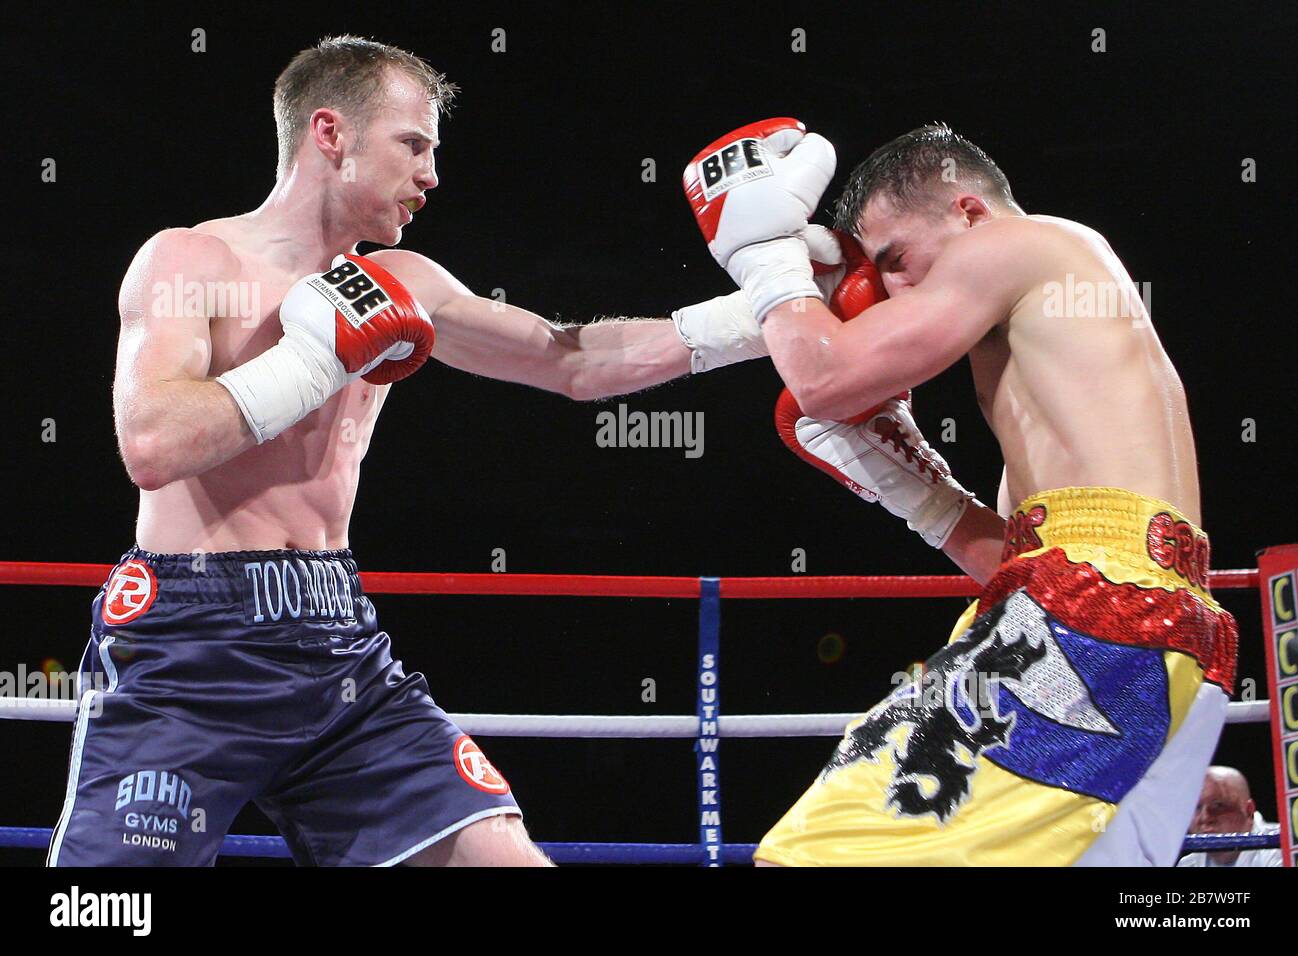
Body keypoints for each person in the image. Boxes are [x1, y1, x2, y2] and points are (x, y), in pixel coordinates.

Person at [47, 36, 763, 867]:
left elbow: (571, 361)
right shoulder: (193, 260)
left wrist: (764, 312)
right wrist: (314, 359)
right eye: (412, 144)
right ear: (331, 133)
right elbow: (152, 442)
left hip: (335, 643)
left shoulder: (405, 282)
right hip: (188, 648)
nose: (432, 175)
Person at [683, 118, 1238, 865]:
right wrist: (923, 492)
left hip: (1097, 631)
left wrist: (765, 257)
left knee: (822, 849)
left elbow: (824, 378)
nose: (895, 292)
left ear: (967, 212)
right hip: (1156, 638)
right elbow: (1014, 567)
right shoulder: (1058, 382)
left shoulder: (1016, 242)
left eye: (898, 261)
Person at [1178, 766, 1283, 867]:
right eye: (1197, 807)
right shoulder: (1188, 864)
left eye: (1218, 806)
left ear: (1248, 810)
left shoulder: (1282, 849)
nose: (1205, 818)